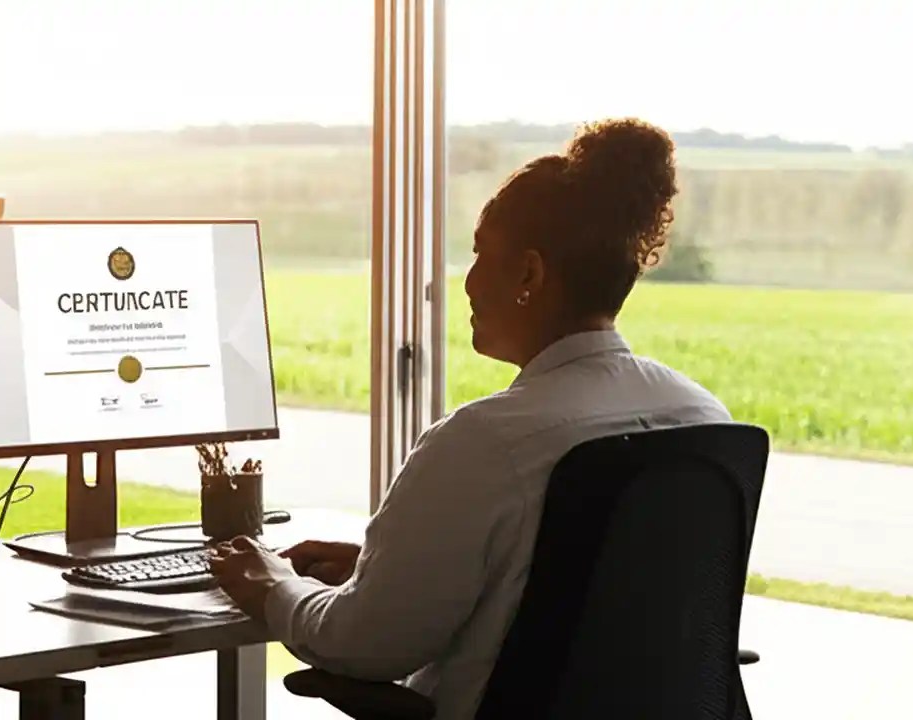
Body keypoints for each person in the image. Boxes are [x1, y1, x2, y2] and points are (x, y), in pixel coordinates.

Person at [208, 117, 732, 719]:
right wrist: (395, 571)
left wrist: (272, 583)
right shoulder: (701, 419)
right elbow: (593, 600)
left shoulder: (485, 443)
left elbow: (362, 646)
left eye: (481, 254)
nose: (468, 283)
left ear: (529, 274)